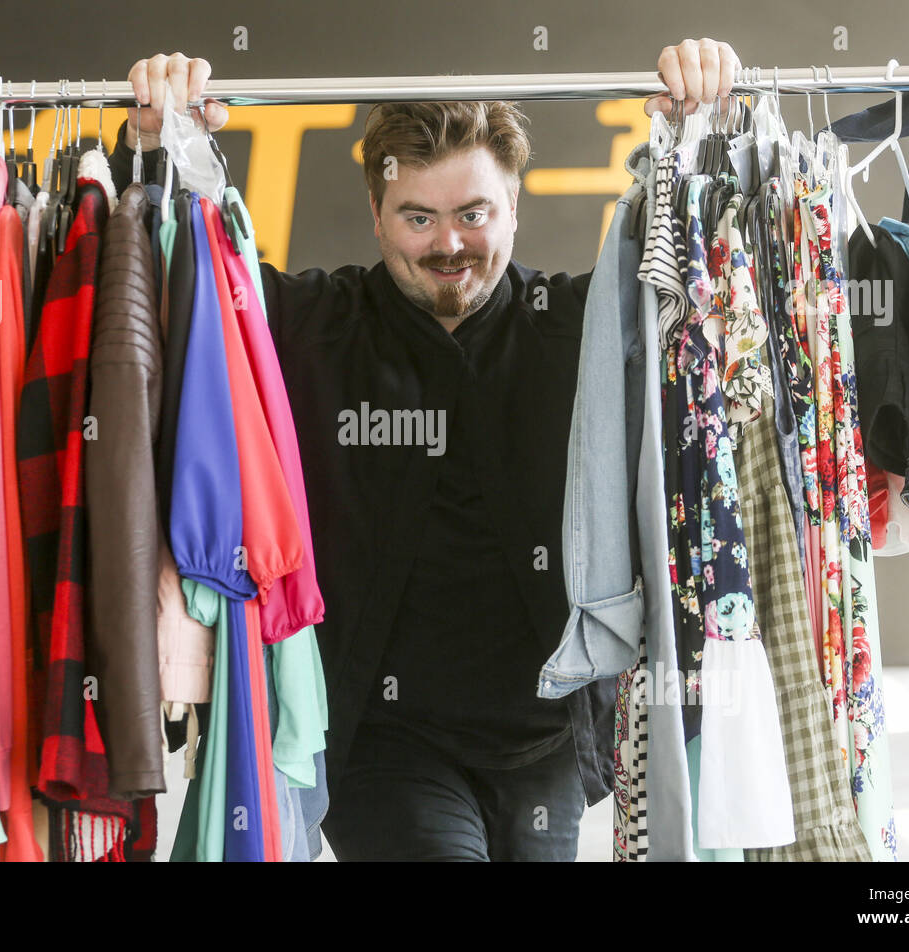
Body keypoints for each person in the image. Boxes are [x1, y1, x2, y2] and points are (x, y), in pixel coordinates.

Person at [114, 38, 742, 861]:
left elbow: (705, 271)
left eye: (473, 214)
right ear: (376, 215)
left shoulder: (581, 326)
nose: (449, 245)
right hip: (383, 746)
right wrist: (159, 149)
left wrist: (710, 128)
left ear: (513, 206)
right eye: (418, 218)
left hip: (547, 744)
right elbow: (177, 277)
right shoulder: (308, 323)